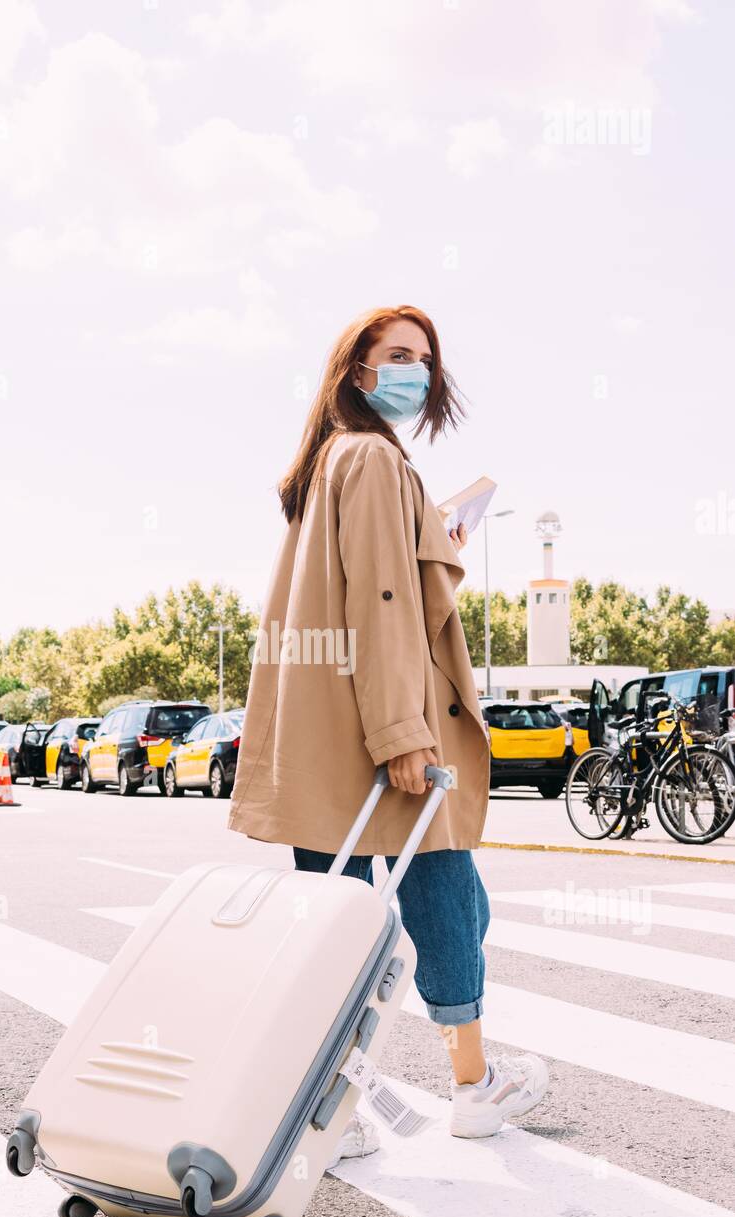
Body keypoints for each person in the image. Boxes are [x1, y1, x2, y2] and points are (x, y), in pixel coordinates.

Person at [228, 304, 549, 1161]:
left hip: (326, 737)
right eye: (397, 355)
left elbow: (359, 585)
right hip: (388, 729)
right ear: (356, 370)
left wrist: (431, 541)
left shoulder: (330, 463)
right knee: (448, 898)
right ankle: (474, 1085)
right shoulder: (371, 458)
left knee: (332, 916)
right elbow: (381, 601)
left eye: (425, 359)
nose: (415, 370)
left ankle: (330, 1105)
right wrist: (404, 731)